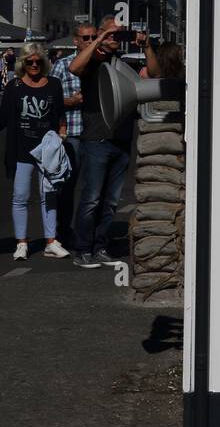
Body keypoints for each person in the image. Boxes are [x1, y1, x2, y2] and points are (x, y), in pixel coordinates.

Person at [69, 16, 136, 270]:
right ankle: (83, 249)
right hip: (97, 138)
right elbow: (74, 68)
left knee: (110, 201)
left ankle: (100, 245)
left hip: (121, 138)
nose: (116, 39)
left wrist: (147, 45)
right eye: (112, 35)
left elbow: (153, 73)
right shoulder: (94, 62)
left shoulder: (123, 63)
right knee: (92, 198)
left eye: (120, 35)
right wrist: (99, 39)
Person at [0, 43, 68, 260]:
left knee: (48, 195)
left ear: (44, 63)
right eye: (30, 61)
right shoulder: (14, 87)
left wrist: (62, 132)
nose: (34, 64)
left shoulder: (54, 85)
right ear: (23, 63)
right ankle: (21, 243)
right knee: (20, 196)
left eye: (38, 61)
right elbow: (3, 117)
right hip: (21, 149)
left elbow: (60, 113)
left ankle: (51, 241)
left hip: (47, 150)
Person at [50, 21, 95, 247]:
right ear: (75, 41)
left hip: (96, 135)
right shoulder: (62, 65)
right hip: (73, 134)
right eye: (85, 38)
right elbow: (51, 100)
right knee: (68, 186)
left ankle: (87, 232)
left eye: (92, 37)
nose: (89, 42)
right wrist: (72, 101)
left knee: (93, 188)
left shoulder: (100, 65)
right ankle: (63, 230)